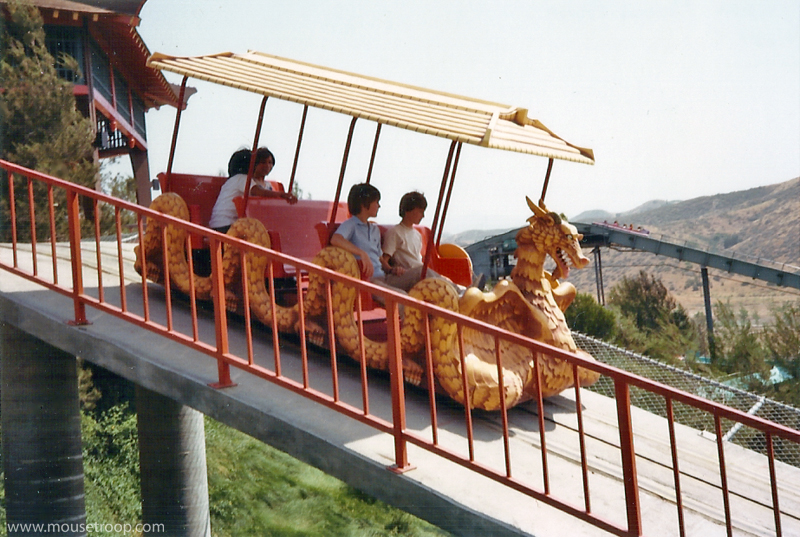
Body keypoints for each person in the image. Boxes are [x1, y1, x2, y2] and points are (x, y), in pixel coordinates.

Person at [208, 147, 296, 233]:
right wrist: (281, 195)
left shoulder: (239, 180)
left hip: (227, 225)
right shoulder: (241, 179)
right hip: (225, 225)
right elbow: (259, 192)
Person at [380, 191, 442, 292]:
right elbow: (384, 260)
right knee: (422, 272)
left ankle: (457, 290)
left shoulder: (417, 235)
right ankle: (458, 292)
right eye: (420, 211)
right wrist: (393, 269)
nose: (423, 216)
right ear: (409, 210)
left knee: (429, 274)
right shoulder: (395, 232)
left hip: (418, 273)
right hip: (403, 275)